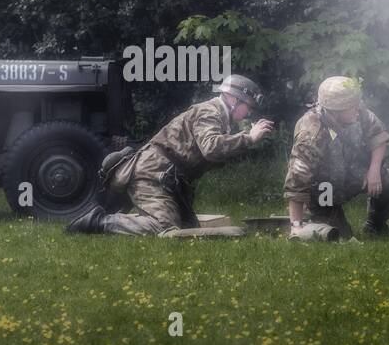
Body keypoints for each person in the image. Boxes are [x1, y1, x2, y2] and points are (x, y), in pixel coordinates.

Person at [66, 74, 274, 235]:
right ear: (232, 99)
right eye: (248, 106)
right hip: (152, 174)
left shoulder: (219, 117)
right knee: (163, 228)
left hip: (168, 178)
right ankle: (99, 222)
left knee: (188, 229)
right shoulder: (210, 112)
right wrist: (249, 138)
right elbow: (211, 148)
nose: (248, 113)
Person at [283, 76, 389, 239]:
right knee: (337, 237)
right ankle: (314, 218)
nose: (358, 109)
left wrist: (374, 170)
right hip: (324, 190)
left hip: (351, 175)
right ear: (336, 111)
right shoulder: (312, 133)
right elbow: (297, 180)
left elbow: (378, 136)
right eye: (353, 106)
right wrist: (295, 226)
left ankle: (375, 226)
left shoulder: (357, 111)